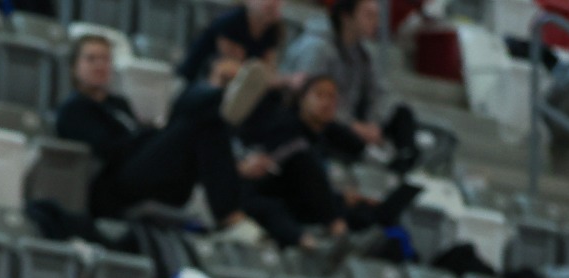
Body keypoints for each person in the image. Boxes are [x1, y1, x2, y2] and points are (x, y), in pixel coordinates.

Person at [54, 33, 270, 236]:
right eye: (91, 59)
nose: (100, 65)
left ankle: (220, 100)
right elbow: (108, 149)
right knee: (194, 121)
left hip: (155, 178)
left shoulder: (118, 103)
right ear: (74, 67)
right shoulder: (75, 108)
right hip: (119, 186)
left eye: (105, 59)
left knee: (206, 127)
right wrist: (152, 135)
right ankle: (219, 98)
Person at [237, 74, 419, 250]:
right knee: (304, 158)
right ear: (302, 99)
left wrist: (346, 197)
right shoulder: (285, 126)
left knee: (369, 212)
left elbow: (359, 151)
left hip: (307, 199)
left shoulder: (330, 134)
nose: (327, 102)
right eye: (319, 94)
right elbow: (283, 169)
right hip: (272, 193)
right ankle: (339, 231)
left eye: (332, 97)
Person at [283, 0, 419, 172]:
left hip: (349, 118)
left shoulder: (361, 53)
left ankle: (400, 168)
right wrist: (353, 126)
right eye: (369, 15)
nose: (376, 22)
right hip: (320, 120)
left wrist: (373, 123)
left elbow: (379, 93)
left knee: (402, 114)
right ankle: (374, 162)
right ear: (346, 17)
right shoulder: (317, 48)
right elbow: (309, 100)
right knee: (334, 127)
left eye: (377, 16)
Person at [177, 0, 287, 87]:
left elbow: (268, 66)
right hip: (198, 78)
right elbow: (231, 66)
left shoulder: (273, 31)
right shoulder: (232, 21)